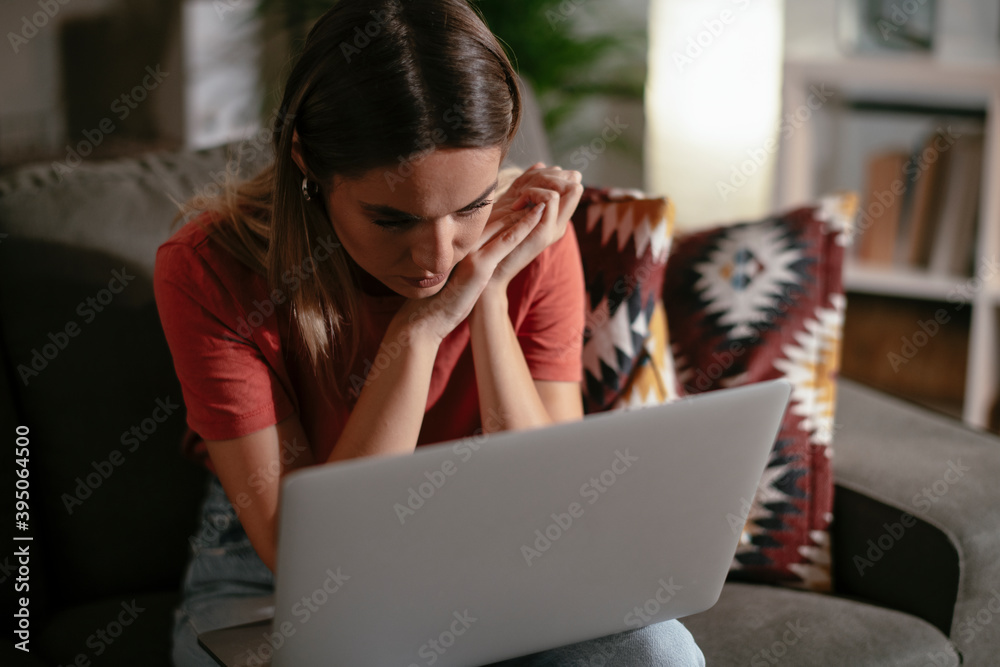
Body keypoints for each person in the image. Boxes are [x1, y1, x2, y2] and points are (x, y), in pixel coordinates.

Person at [154, 0, 705, 665]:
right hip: (271, 576)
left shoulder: (525, 242)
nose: (438, 257)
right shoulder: (207, 270)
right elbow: (319, 565)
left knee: (658, 652)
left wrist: (490, 293)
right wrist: (418, 333)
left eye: (470, 207)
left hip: (488, 541)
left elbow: (547, 502)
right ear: (307, 162)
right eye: (392, 219)